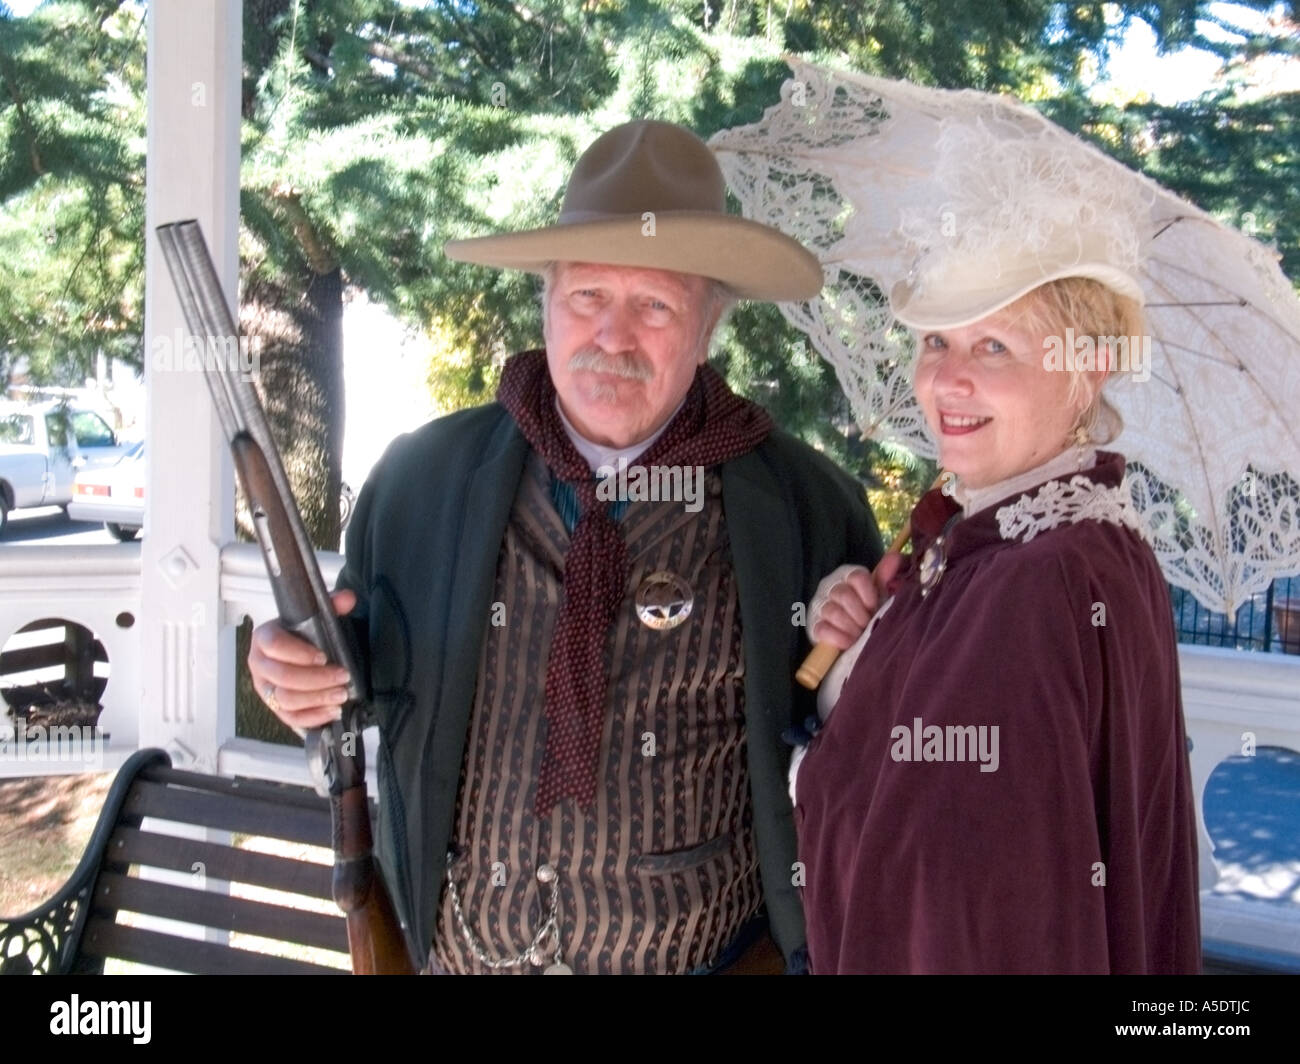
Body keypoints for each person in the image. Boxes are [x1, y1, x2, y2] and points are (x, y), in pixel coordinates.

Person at [248, 119, 883, 974]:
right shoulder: (418, 482)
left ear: (708, 328)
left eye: (655, 304)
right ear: (545, 303)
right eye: (588, 296)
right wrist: (294, 670)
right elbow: (355, 683)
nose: (613, 337)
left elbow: (848, 746)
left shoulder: (806, 507)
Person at [792, 233, 1202, 973]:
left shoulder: (1036, 580)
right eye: (938, 340)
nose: (945, 380)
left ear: (1089, 365)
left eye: (993, 348)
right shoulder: (1070, 534)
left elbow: (947, 894)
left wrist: (816, 763)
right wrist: (861, 650)